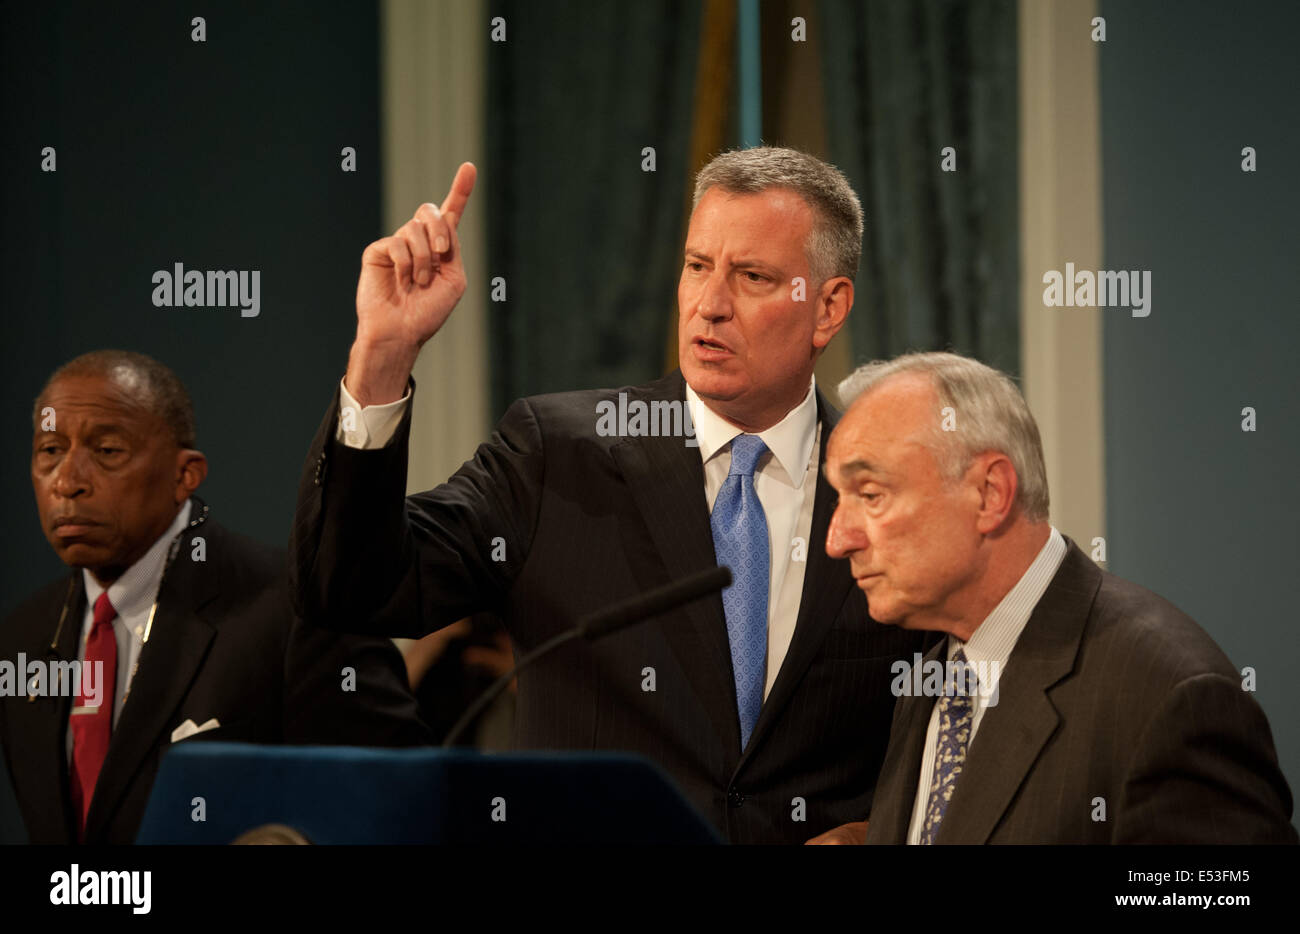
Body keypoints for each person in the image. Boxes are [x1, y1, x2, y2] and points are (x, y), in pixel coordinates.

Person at [290, 147, 926, 844]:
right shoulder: (556, 453)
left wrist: (890, 830)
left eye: (751, 277)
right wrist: (382, 358)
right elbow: (352, 590)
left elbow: (956, 735)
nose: (709, 306)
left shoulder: (893, 487)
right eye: (696, 267)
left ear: (828, 308)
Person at [822, 351, 1296, 844]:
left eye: (871, 495)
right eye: (839, 498)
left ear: (989, 493)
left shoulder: (1168, 694)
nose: (838, 539)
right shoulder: (936, 669)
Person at [0, 351, 431, 844]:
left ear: (185, 475)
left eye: (108, 451)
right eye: (50, 450)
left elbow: (401, 802)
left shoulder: (300, 611)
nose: (68, 482)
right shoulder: (21, 640)